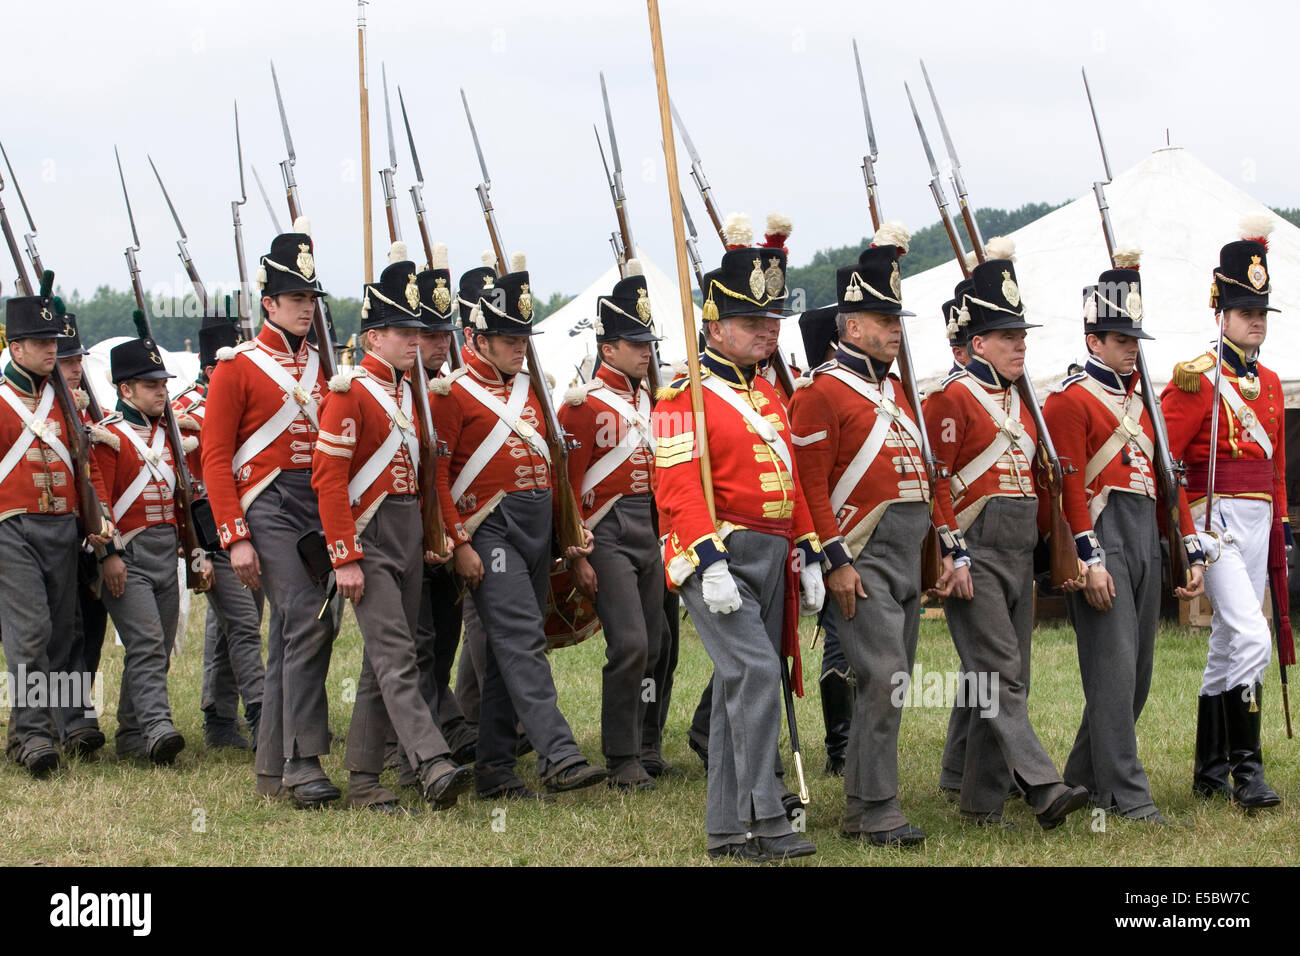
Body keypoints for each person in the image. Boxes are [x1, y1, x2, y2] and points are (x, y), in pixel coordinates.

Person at [653, 216, 825, 862]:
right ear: (715, 324)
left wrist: (807, 547)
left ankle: (726, 828)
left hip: (773, 556)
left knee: (739, 683)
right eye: (754, 322)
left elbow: (794, 479)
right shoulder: (684, 396)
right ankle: (765, 818)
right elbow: (676, 490)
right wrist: (707, 559)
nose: (768, 331)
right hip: (715, 556)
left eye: (772, 321)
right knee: (755, 676)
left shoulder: (770, 394)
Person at [922, 245, 1090, 830]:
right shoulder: (951, 398)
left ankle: (981, 802)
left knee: (1002, 674)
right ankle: (1043, 787)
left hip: (1019, 549)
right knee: (1000, 674)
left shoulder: (1022, 400)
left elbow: (1045, 481)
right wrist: (952, 550)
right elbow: (936, 482)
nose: (1019, 343)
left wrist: (1062, 546)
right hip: (978, 550)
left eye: (1021, 333)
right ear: (978, 342)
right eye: (1005, 333)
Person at [431, 252, 606, 800]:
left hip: (536, 532)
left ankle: (496, 771)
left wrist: (572, 544)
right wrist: (458, 542)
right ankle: (559, 753)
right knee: (522, 639)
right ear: (477, 337)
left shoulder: (536, 387)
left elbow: (556, 467)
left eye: (523, 335)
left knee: (513, 651)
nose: (518, 344)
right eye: (506, 335)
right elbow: (435, 479)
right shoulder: (452, 394)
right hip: (489, 533)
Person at [1044, 255, 1206, 823]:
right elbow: (1069, 487)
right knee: (1113, 674)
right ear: (1093, 338)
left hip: (1143, 537)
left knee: (1134, 679)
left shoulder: (1143, 402)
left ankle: (1081, 781)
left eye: (1134, 337)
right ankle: (1127, 795)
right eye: (1119, 337)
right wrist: (1090, 558)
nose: (1130, 347)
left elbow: (1169, 481)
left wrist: (1187, 547)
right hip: (1102, 537)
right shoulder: (1069, 401)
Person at [312, 248, 474, 811]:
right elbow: (328, 480)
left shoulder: (414, 393)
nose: (416, 339)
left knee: (383, 662)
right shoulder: (350, 392)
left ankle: (362, 779)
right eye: (402, 330)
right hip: (368, 534)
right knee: (397, 654)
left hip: (407, 530)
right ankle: (430, 760)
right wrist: (344, 555)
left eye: (419, 330)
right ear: (373, 336)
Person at [788, 226, 931, 847]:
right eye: (880, 316)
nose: (894, 326)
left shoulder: (893, 389)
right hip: (862, 555)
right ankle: (872, 809)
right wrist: (836, 560)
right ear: (849, 325)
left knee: (895, 677)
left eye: (895, 315)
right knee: (882, 674)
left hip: (904, 556)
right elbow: (811, 487)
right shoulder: (821, 392)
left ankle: (874, 796)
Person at [202, 219, 339, 807]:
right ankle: (304, 760)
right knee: (310, 617)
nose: (306, 307)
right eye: (296, 298)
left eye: (312, 297)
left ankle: (271, 768)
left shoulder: (325, 365)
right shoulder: (236, 366)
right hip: (269, 505)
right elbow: (213, 458)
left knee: (293, 627)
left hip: (316, 502)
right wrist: (234, 537)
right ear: (269, 302)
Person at [1161, 217, 1288, 810]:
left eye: (1260, 309)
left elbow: (1277, 471)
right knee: (1250, 633)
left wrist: (1282, 529)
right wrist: (1186, 534)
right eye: (1243, 309)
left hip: (1260, 523)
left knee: (1224, 646)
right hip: (1216, 525)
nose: (1254, 320)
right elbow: (1166, 462)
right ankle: (1248, 771)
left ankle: (1208, 771)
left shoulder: (1268, 383)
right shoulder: (1195, 380)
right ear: (1220, 311)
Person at [559, 258, 666, 791]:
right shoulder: (582, 406)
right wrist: (576, 552)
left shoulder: (652, 400)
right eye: (635, 342)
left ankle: (647, 743)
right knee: (629, 643)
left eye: (648, 342)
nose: (646, 350)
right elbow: (567, 485)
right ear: (608, 348)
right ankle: (621, 756)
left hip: (650, 529)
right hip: (605, 532)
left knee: (658, 641)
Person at [0, 281, 111, 777]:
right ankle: (32, 736)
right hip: (11, 527)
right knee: (29, 634)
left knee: (65, 634)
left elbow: (87, 466)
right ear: (15, 347)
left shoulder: (70, 402)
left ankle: (65, 723)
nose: (52, 351)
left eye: (55, 343)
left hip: (63, 527)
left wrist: (95, 519)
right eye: (41, 343)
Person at [91, 317, 200, 765]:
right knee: (147, 642)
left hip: (166, 553)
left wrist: (196, 556)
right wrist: (110, 554)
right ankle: (159, 727)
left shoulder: (172, 436)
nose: (161, 390)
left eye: (163, 383)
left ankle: (132, 734)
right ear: (126, 390)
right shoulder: (110, 437)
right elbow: (99, 501)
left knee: (159, 644)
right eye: (150, 384)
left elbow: (183, 504)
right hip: (128, 555)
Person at [175, 308, 265, 751]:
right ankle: (251, 714)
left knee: (232, 626)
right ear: (214, 367)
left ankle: (221, 717)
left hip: (253, 523)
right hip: (209, 532)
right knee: (242, 624)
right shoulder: (184, 409)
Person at [406, 244, 477, 770]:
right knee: (414, 643)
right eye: (426, 333)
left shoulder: (452, 391)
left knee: (444, 638)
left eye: (442, 333)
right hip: (403, 530)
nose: (436, 344)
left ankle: (444, 727)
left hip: (446, 531)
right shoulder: (395, 390)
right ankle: (424, 739)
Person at [796, 303, 852, 777]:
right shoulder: (819, 394)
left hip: (841, 533)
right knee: (838, 640)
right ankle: (842, 748)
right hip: (826, 535)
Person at [54, 309, 109, 756]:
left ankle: (76, 713)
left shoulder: (95, 413)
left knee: (89, 626)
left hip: (87, 540)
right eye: (67, 359)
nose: (75, 368)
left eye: (77, 359)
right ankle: (62, 719)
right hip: (46, 533)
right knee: (58, 629)